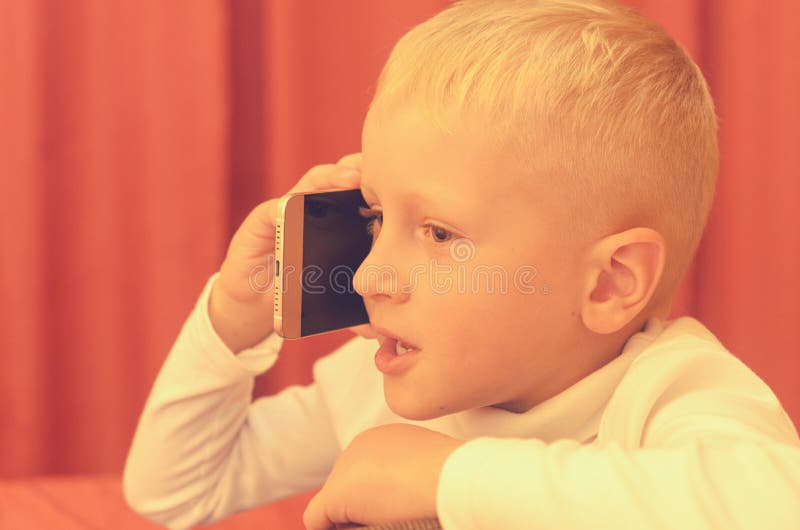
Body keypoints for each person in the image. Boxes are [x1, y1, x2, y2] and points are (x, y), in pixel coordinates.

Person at [123, 1, 800, 529]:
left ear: (610, 281)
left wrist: (444, 476)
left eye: (439, 232)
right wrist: (235, 320)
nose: (367, 278)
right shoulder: (377, 380)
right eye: (378, 217)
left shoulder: (670, 395)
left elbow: (776, 505)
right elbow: (175, 488)